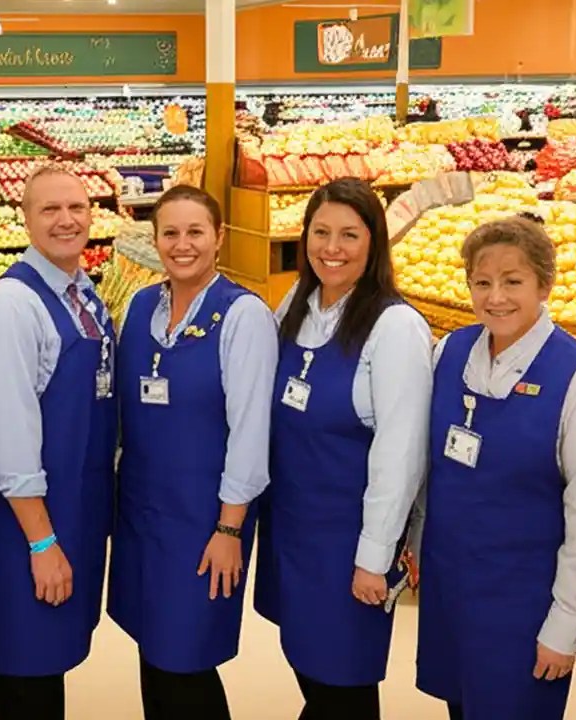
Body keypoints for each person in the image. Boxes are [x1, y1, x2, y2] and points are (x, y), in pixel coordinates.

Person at [414, 215, 576, 720]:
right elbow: (429, 472)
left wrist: (567, 623)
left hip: (525, 606)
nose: (496, 297)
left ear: (545, 284)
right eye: (482, 283)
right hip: (452, 587)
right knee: (460, 706)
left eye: (513, 282)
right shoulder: (450, 352)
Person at [254, 177, 433, 719]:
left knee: (345, 682)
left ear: (374, 242)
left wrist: (374, 559)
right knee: (310, 667)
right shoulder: (296, 304)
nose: (332, 248)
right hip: (292, 528)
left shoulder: (395, 326)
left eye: (349, 235)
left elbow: (400, 455)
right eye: (321, 232)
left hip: (349, 542)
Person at [107, 185, 278, 720]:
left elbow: (251, 432)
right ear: (155, 240)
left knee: (186, 661)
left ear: (219, 238)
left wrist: (230, 530)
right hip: (142, 513)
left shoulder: (243, 315)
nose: (183, 245)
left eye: (196, 232)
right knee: (151, 650)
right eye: (171, 233)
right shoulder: (139, 308)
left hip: (204, 522)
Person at [0, 164, 118, 720]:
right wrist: (40, 542)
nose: (66, 220)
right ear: (25, 218)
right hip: (32, 522)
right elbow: (9, 436)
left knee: (51, 657)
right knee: (28, 664)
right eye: (50, 209)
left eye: (76, 208)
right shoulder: (12, 306)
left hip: (73, 510)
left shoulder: (83, 292)